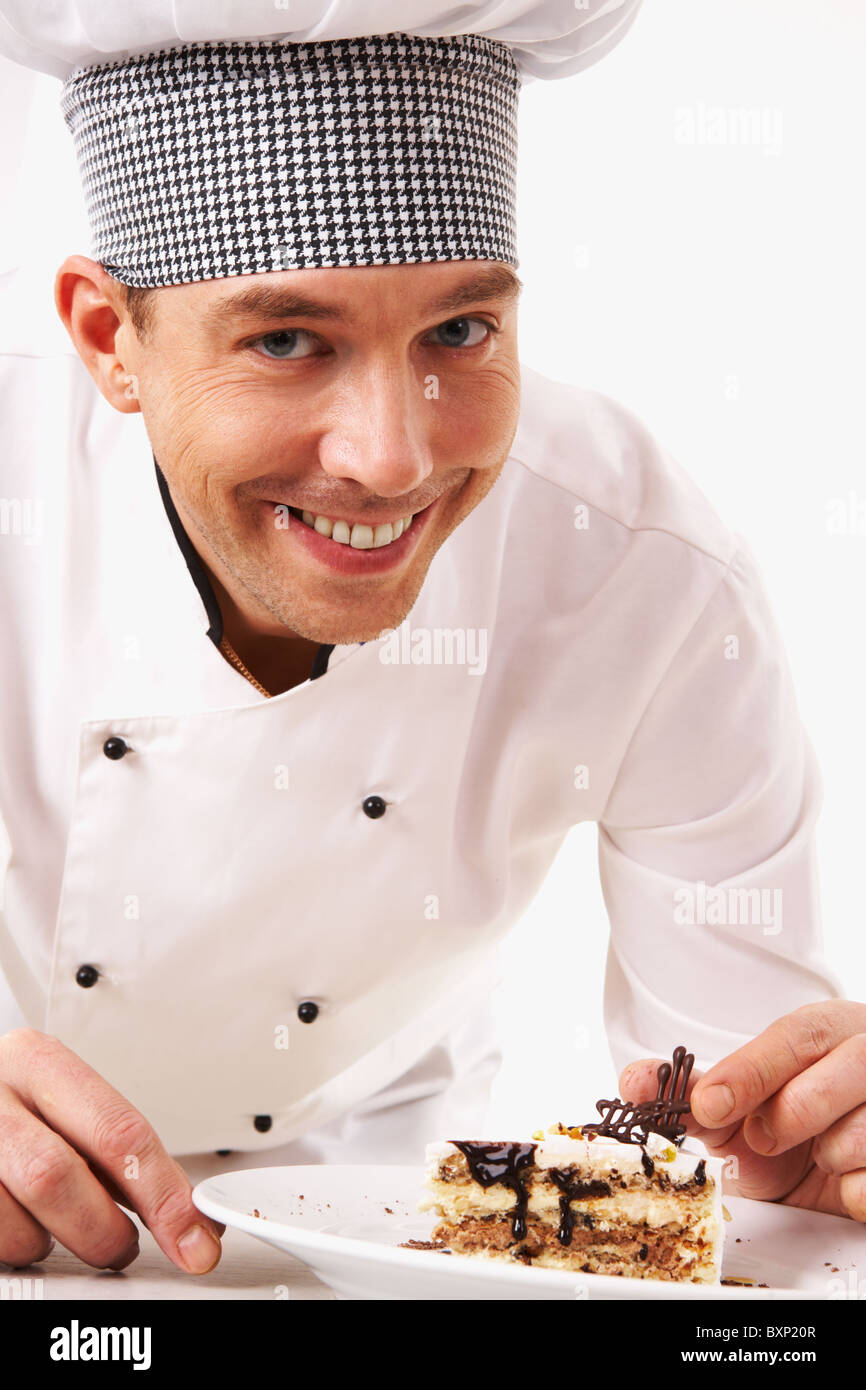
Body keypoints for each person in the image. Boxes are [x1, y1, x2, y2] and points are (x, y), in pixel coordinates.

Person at [0, 2, 861, 1283]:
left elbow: (737, 1150)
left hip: (380, 1224)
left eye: (460, 332)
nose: (393, 456)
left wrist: (804, 1137)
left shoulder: (643, 577)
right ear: (107, 339)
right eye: (286, 340)